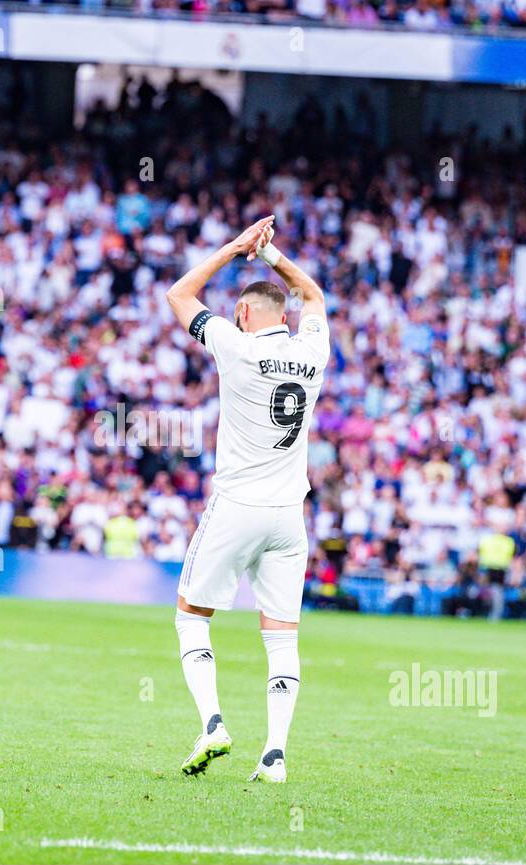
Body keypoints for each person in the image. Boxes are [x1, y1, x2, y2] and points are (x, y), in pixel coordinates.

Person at [164, 216, 330, 784]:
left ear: (242, 313)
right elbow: (314, 293)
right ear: (284, 316)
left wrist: (237, 248)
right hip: (290, 516)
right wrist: (274, 255)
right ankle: (276, 755)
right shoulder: (312, 351)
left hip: (237, 505)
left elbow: (178, 294)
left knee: (191, 617)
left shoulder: (233, 346)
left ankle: (212, 724)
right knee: (281, 637)